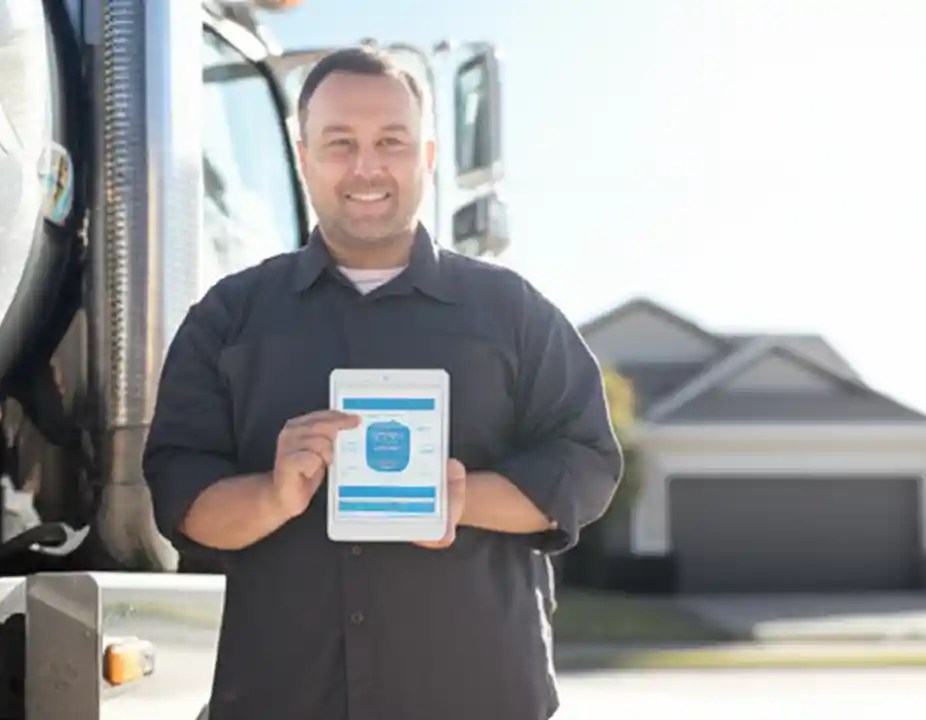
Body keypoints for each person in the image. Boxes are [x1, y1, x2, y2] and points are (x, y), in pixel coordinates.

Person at [143, 46, 623, 720]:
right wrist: (274, 495)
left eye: (390, 142)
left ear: (426, 157)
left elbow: (587, 465)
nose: (366, 167)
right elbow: (178, 493)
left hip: (478, 699)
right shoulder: (229, 318)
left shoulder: (512, 312)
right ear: (303, 155)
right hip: (283, 700)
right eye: (340, 143)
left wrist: (457, 499)